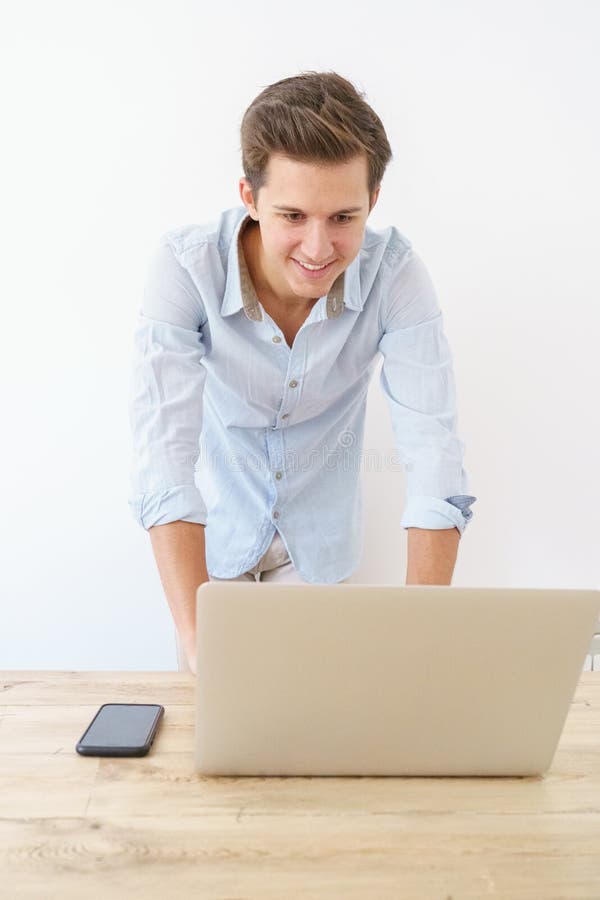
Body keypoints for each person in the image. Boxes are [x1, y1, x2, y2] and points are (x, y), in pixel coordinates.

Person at [128, 71, 476, 675]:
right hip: (208, 544)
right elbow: (163, 458)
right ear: (249, 197)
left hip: (319, 554)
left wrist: (422, 637)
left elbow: (434, 457)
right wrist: (196, 640)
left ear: (373, 201)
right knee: (216, 720)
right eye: (292, 215)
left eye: (343, 217)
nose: (317, 250)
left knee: (318, 720)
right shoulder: (185, 268)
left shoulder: (396, 275)